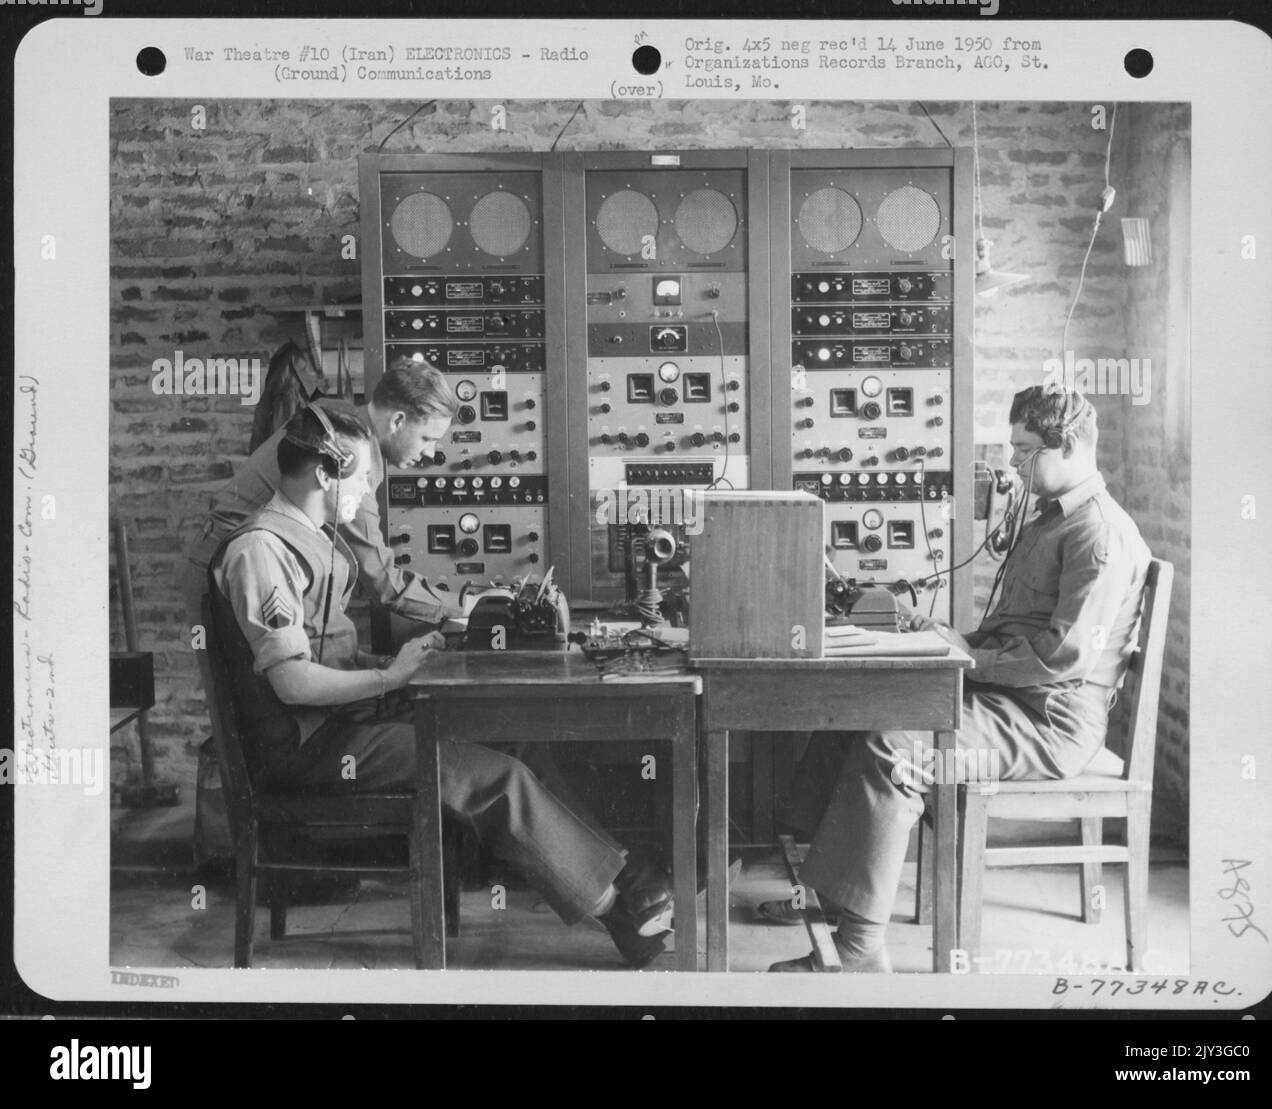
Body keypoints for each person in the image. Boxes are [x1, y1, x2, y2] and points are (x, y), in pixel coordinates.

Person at [206, 404, 675, 967]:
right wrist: (391, 676)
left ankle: (625, 877)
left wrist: (405, 662)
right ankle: (621, 914)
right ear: (325, 475)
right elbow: (293, 683)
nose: (367, 494)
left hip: (342, 722)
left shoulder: (311, 538)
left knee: (512, 739)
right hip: (309, 745)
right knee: (492, 777)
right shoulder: (260, 549)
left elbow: (331, 655)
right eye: (360, 480)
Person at [764, 387, 1153, 972]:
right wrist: (946, 635)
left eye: (1025, 453)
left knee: (895, 748)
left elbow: (1063, 658)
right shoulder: (1050, 519)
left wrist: (962, 659)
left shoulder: (1097, 534)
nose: (1016, 467)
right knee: (852, 710)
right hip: (1011, 697)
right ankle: (822, 893)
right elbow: (1013, 631)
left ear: (1067, 444)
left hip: (1048, 722)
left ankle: (858, 951)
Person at [183, 356, 460, 633]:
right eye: (428, 438)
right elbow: (384, 583)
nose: (430, 453)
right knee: (238, 674)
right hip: (224, 573)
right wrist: (467, 605)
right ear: (398, 420)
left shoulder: (340, 415)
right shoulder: (348, 458)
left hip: (247, 564)